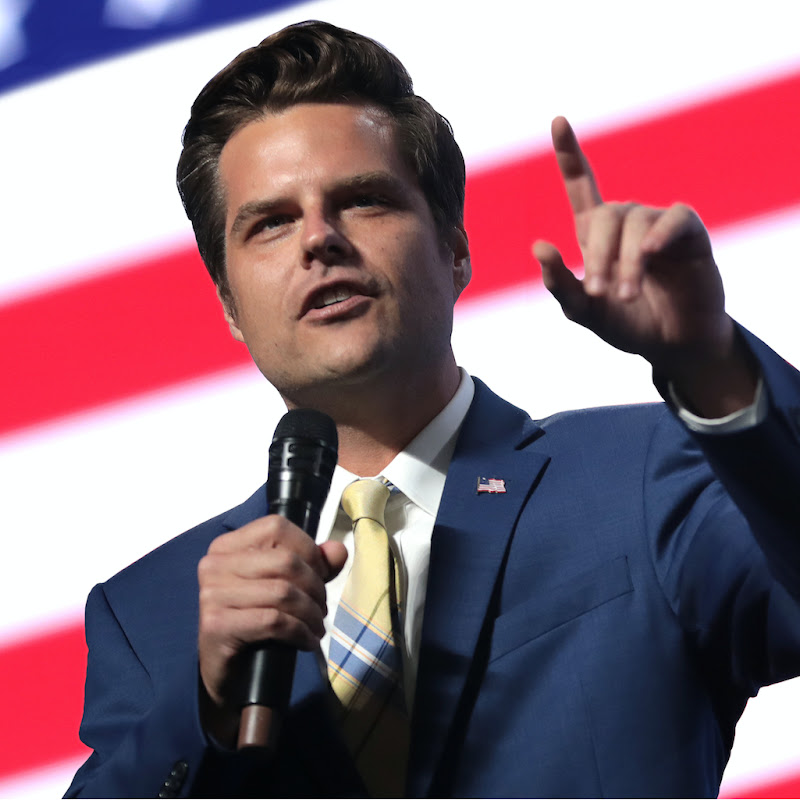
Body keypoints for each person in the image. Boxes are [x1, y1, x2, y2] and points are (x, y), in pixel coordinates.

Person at [66, 20, 800, 799]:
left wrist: (711, 363)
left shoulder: (643, 478)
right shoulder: (148, 616)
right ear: (229, 307)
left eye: (363, 199)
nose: (319, 238)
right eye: (271, 222)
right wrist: (205, 705)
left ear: (456, 251)